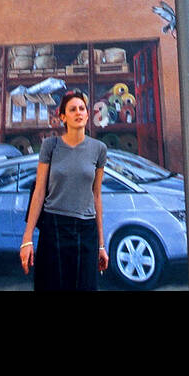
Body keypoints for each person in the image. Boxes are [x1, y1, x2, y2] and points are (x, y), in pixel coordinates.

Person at [21, 91, 108, 291]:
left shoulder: (99, 149)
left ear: (87, 114)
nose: (78, 112)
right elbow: (40, 191)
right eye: (72, 109)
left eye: (82, 109)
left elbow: (96, 196)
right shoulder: (50, 146)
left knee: (85, 287)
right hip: (55, 226)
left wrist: (101, 245)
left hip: (86, 229)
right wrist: (27, 239)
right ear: (63, 117)